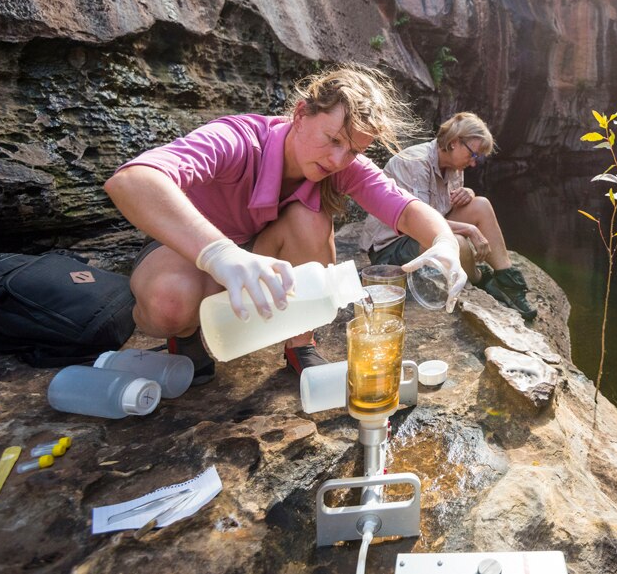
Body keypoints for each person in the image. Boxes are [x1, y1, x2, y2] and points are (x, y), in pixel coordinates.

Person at [104, 65, 467, 384]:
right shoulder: (239, 140)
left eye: (354, 151)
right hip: (189, 250)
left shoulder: (341, 166)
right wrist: (220, 253)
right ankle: (185, 335)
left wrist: (443, 240)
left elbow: (403, 208)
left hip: (258, 252)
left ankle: (299, 341)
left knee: (310, 217)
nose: (339, 159)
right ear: (299, 114)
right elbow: (131, 180)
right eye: (333, 139)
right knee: (169, 305)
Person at [362, 112, 535, 320]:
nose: (474, 163)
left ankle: (508, 282)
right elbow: (419, 222)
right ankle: (481, 280)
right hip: (392, 247)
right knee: (458, 243)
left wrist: (468, 194)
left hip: (423, 234)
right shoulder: (416, 163)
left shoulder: (454, 166)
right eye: (473, 154)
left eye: (478, 157)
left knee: (481, 205)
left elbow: (442, 209)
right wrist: (470, 230)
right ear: (454, 143)